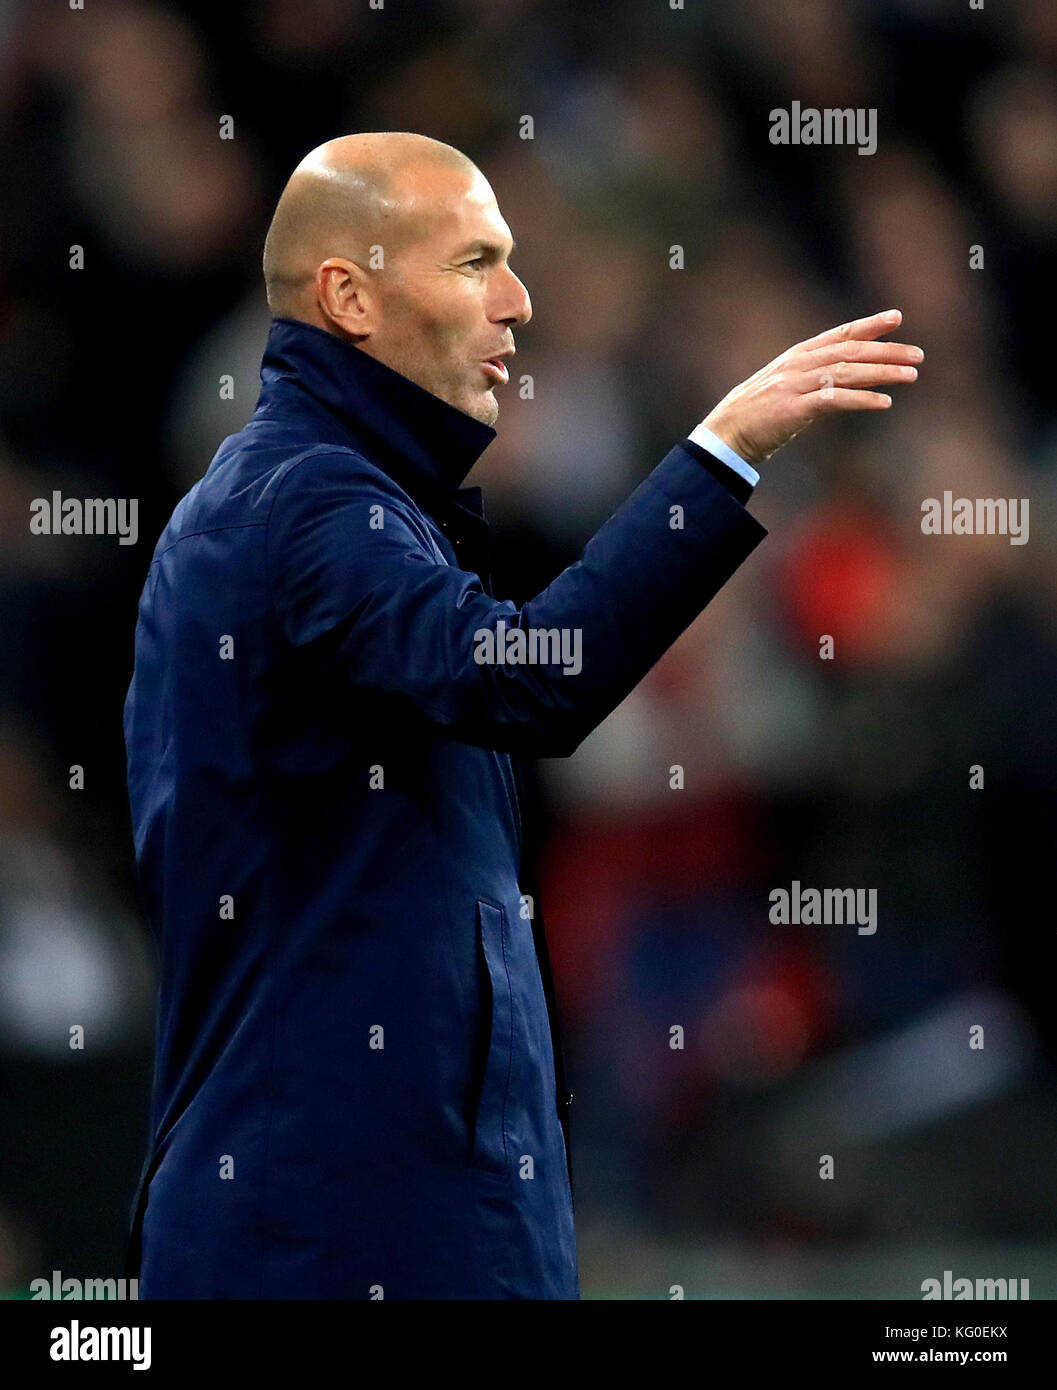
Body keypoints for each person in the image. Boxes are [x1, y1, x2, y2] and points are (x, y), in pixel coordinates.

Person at [122, 131, 922, 1298]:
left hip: (386, 1204)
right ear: (350, 294)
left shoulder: (358, 505)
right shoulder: (303, 503)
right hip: (330, 1224)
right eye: (473, 263)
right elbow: (529, 676)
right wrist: (722, 452)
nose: (519, 300)